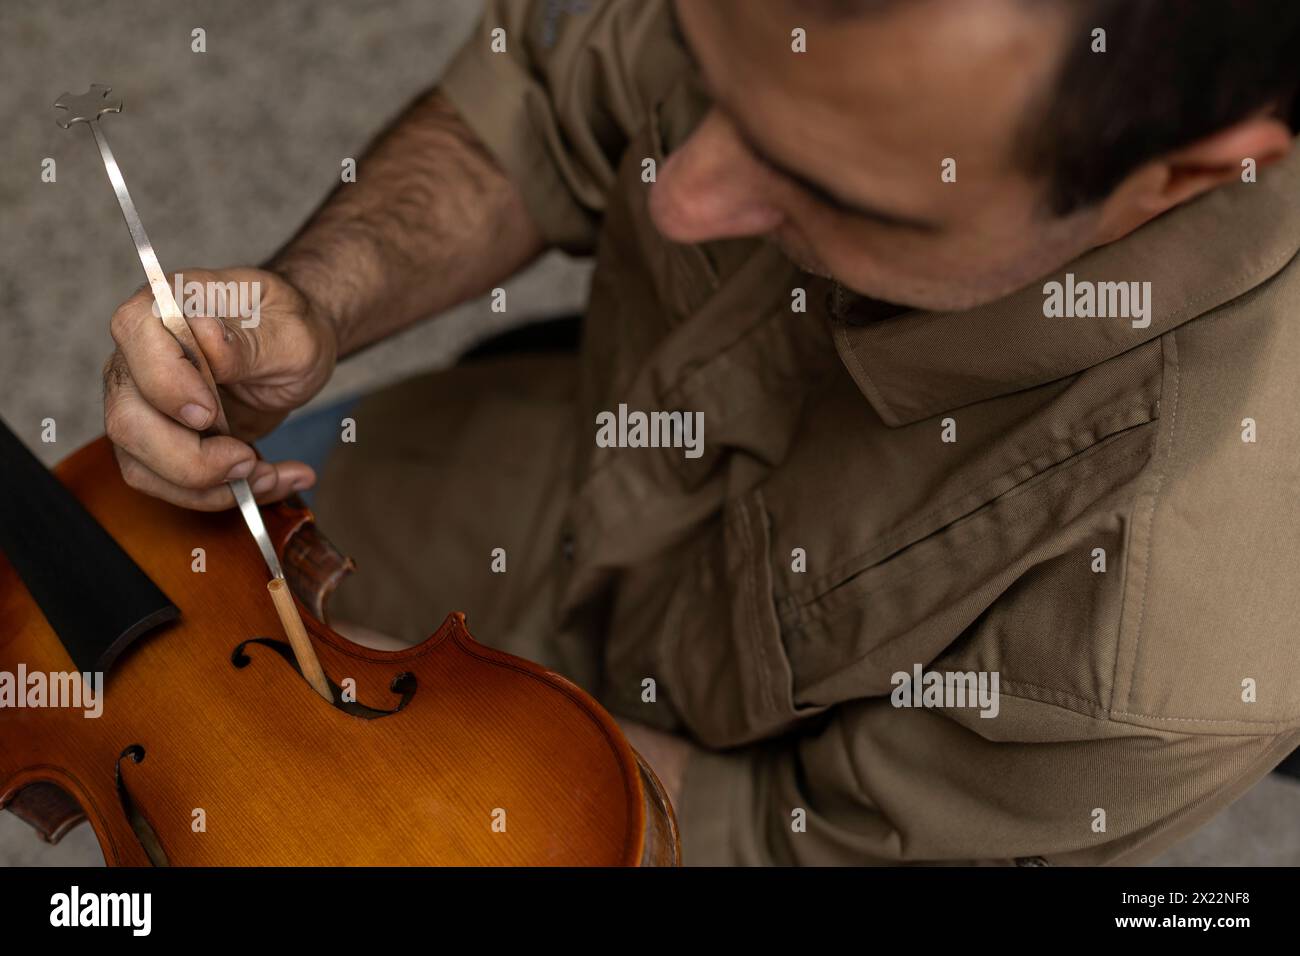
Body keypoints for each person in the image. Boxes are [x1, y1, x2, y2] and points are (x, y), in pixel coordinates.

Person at [100, 0, 1300, 865]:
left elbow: (786, 845)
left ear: (1177, 180)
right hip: (517, 472)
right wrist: (322, 294)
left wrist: (413, 771)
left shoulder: (1180, 653)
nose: (678, 196)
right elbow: (541, 97)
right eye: (712, 74)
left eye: (828, 183)